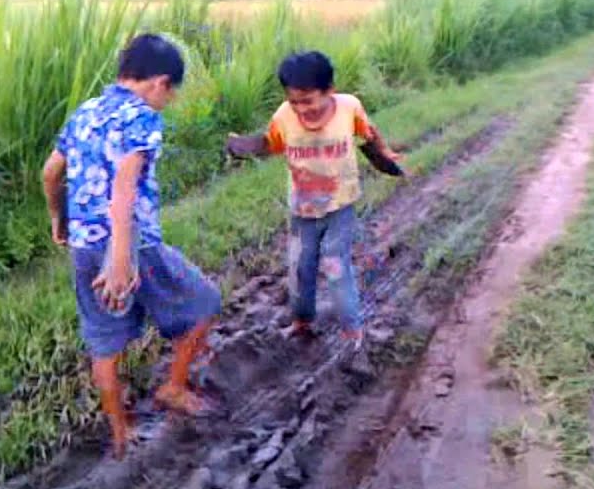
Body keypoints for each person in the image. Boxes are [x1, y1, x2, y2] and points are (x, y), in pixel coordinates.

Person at [42, 33, 221, 459]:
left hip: (84, 247)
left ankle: (121, 435)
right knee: (206, 302)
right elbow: (123, 192)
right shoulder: (141, 117)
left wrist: (58, 218)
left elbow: (50, 173)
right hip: (131, 246)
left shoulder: (85, 112)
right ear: (160, 83)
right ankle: (174, 388)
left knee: (105, 342)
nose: (168, 101)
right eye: (171, 92)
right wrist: (120, 258)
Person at [225, 51, 403, 373]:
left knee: (336, 267)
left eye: (309, 101)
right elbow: (270, 144)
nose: (302, 109)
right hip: (302, 209)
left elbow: (369, 133)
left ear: (329, 89)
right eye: (295, 102)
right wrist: (243, 146)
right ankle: (301, 322)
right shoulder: (284, 116)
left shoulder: (349, 108)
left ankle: (353, 333)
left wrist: (385, 152)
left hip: (340, 207)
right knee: (300, 270)